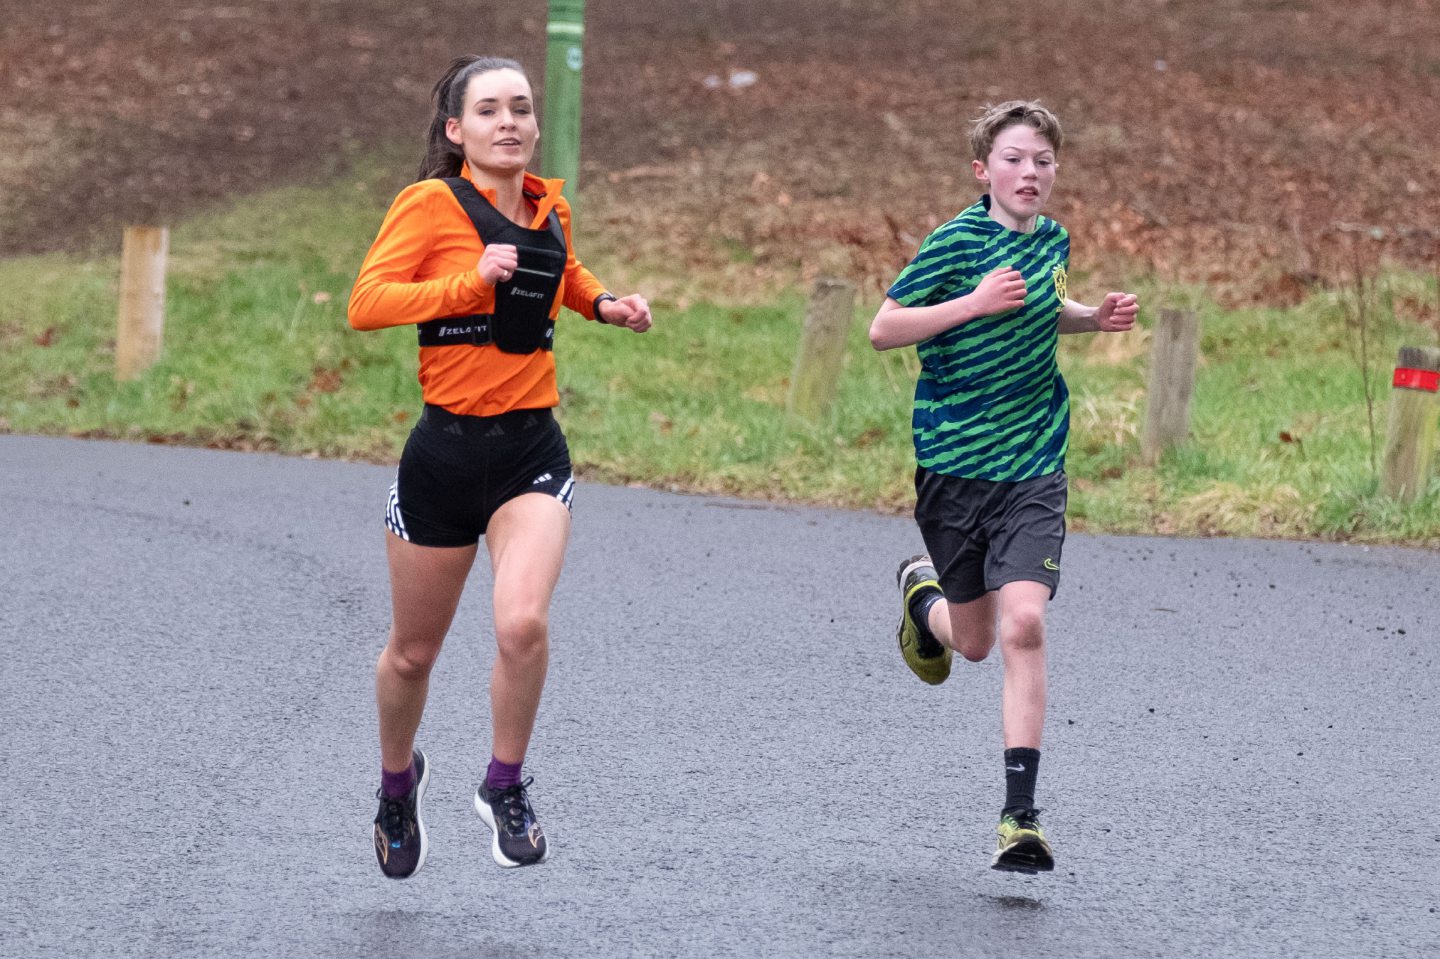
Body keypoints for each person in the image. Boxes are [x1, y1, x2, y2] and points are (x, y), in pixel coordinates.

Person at [348, 55, 652, 878]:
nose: (508, 121)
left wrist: (605, 304)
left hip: (529, 451)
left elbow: (563, 269)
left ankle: (504, 782)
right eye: (489, 110)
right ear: (457, 131)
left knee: (522, 623)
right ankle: (396, 781)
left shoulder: (549, 204)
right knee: (412, 654)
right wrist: (463, 283)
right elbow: (366, 302)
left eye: (520, 107)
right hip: (442, 457)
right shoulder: (428, 205)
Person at [868, 100, 1138, 874]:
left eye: (1044, 162)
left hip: (1033, 463)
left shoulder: (1052, 239)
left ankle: (1021, 818)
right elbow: (885, 328)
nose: (1031, 173)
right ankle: (925, 600)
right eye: (1015, 159)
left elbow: (1043, 310)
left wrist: (1093, 317)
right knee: (978, 641)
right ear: (984, 170)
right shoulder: (954, 241)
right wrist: (972, 302)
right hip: (953, 466)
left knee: (1024, 624)